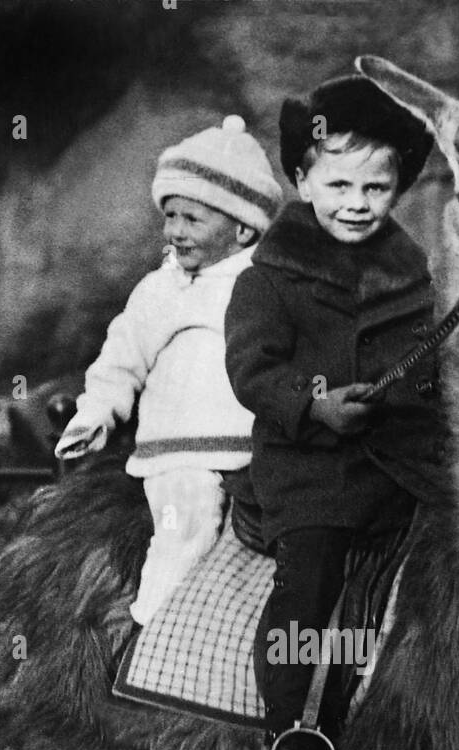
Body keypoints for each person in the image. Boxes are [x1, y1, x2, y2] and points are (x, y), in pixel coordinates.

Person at [224, 75, 448, 750]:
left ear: (398, 190)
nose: (357, 203)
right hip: (309, 469)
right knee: (312, 572)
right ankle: (295, 728)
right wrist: (314, 404)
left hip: (400, 466)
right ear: (301, 178)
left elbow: (430, 371)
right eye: (340, 184)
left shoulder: (412, 279)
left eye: (377, 189)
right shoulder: (268, 281)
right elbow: (252, 372)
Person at [56, 116, 283, 625]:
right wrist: (97, 414)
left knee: (275, 541)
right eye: (170, 216)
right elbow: (122, 355)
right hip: (179, 451)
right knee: (187, 526)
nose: (174, 231)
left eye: (191, 219)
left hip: (253, 450)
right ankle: (152, 627)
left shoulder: (266, 285)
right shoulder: (163, 288)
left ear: (243, 226)